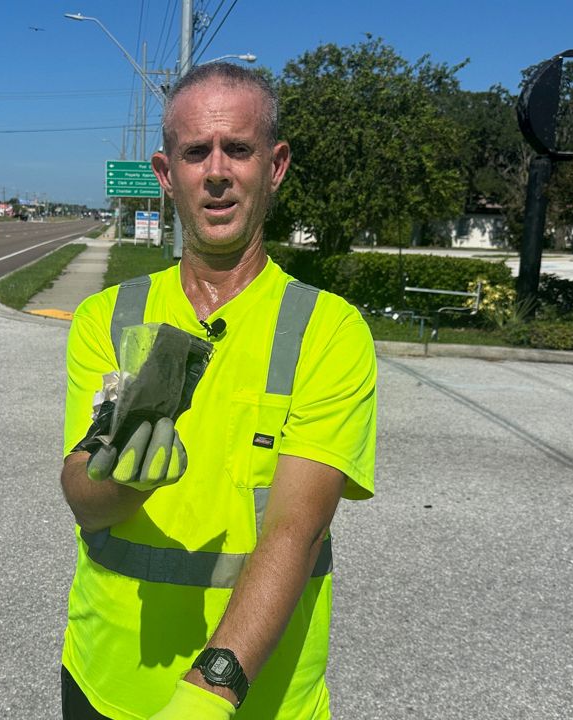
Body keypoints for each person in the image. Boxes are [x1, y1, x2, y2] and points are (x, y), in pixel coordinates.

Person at [59, 62, 377, 719]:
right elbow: (84, 502)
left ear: (276, 165)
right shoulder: (108, 318)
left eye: (239, 148)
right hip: (105, 685)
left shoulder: (328, 330)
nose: (217, 172)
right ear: (166, 172)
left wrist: (210, 692)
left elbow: (298, 526)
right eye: (196, 151)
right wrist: (121, 479)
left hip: (256, 700)